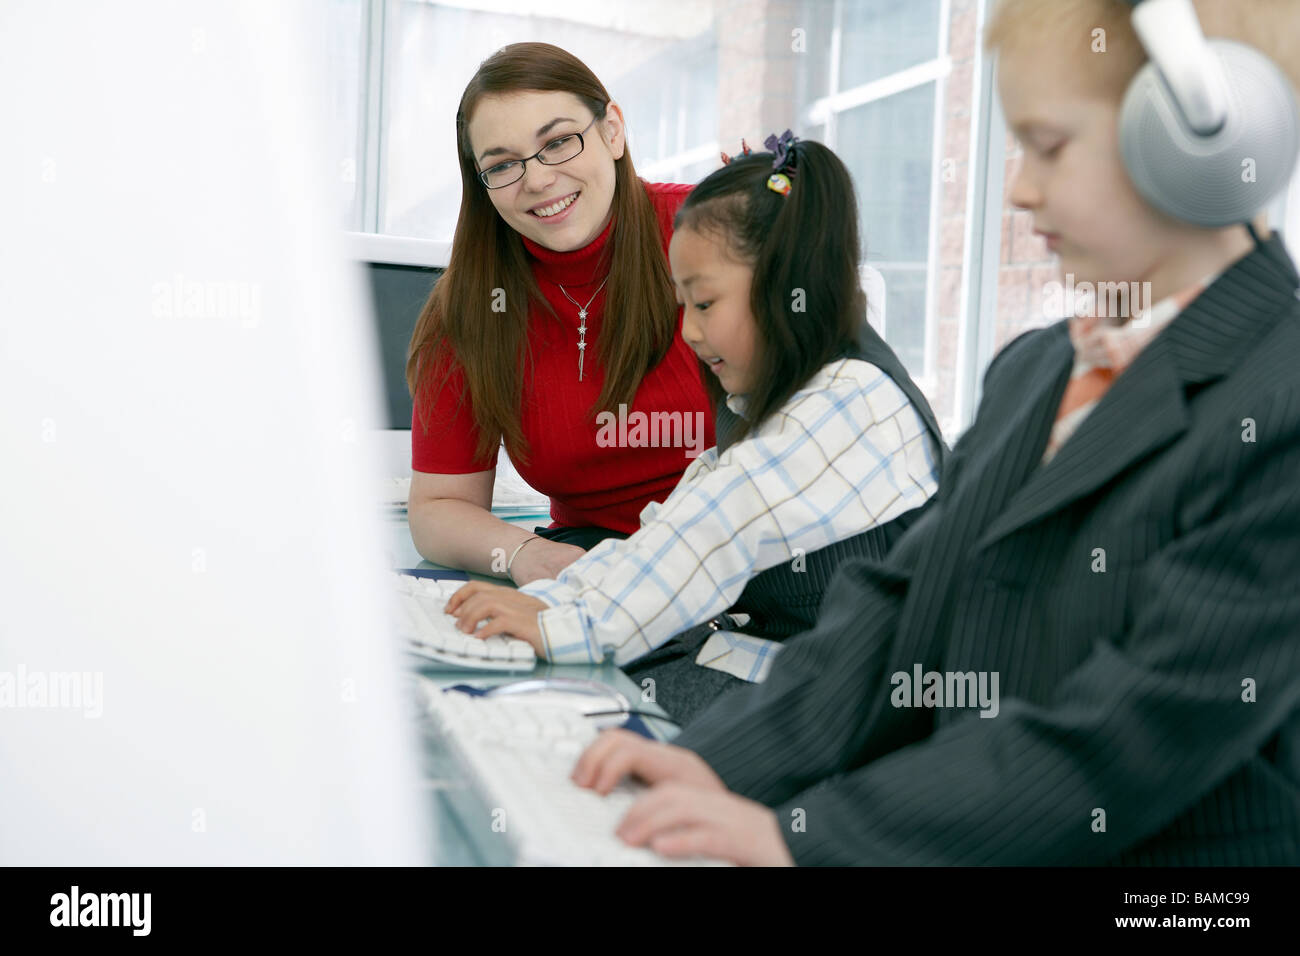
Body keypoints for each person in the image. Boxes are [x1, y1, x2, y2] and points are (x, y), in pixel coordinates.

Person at [568, 0, 1300, 865]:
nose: (1020, 188)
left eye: (1051, 146)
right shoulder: (1036, 369)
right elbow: (900, 608)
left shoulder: (1278, 402)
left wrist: (812, 841)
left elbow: (1130, 731)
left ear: (1206, 136)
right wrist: (713, 767)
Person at [445, 136, 945, 723]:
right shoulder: (780, 395)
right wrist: (550, 598)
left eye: (704, 305)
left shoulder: (850, 404)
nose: (689, 333)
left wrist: (563, 626)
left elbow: (716, 527)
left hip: (860, 705)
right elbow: (683, 518)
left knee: (578, 719)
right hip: (787, 659)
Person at [406, 42, 714, 586]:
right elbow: (439, 505)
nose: (538, 179)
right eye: (502, 165)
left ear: (612, 130)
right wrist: (528, 555)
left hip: (754, 555)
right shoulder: (471, 305)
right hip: (593, 566)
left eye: (558, 142)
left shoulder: (709, 233)